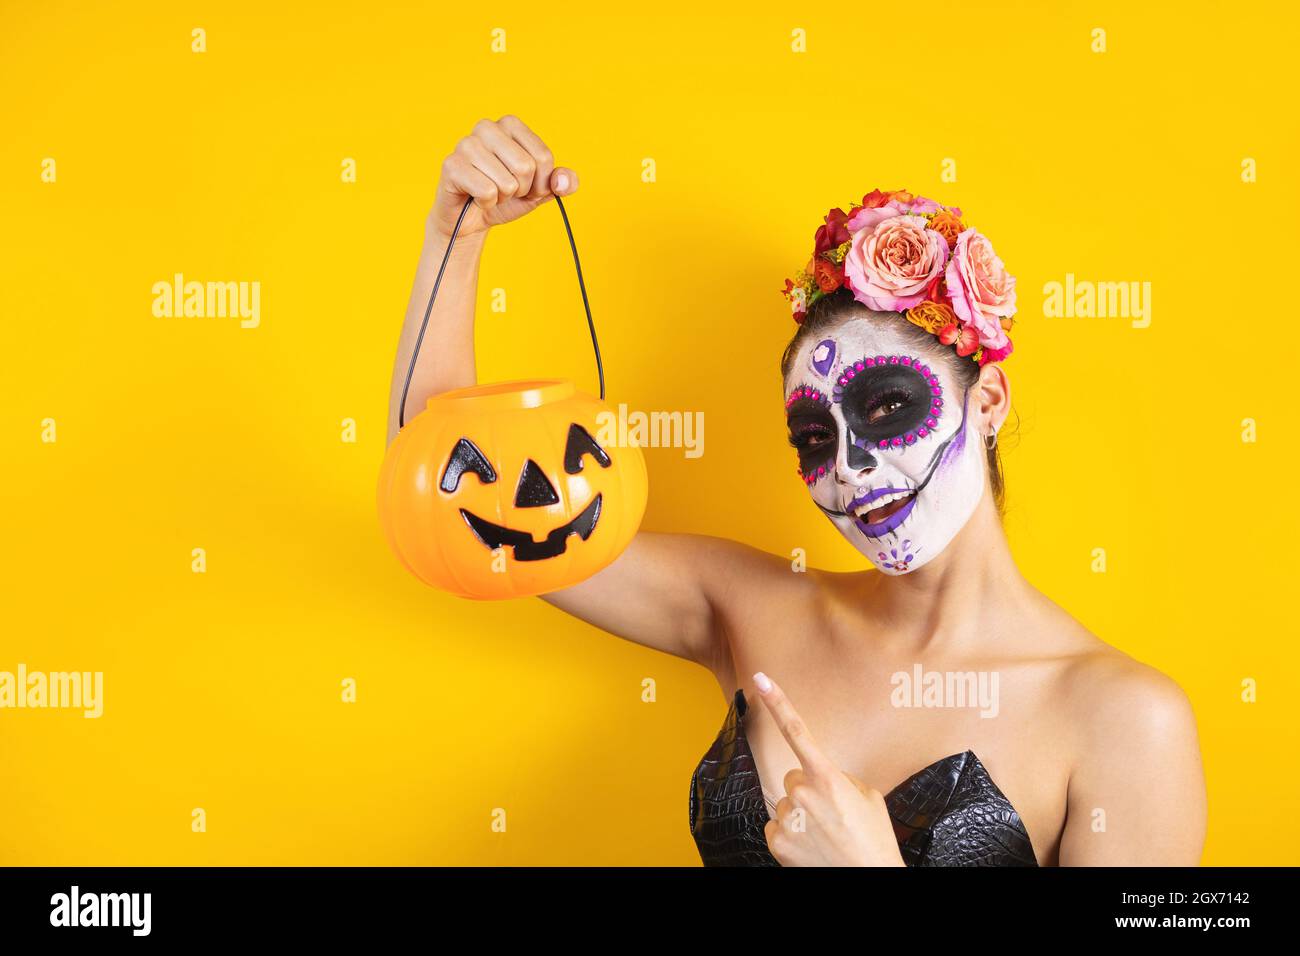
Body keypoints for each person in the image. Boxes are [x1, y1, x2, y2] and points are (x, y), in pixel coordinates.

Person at [387, 115, 1207, 867]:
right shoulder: (749, 610)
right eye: (814, 438)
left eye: (886, 407)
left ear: (987, 400)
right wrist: (455, 236)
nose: (848, 465)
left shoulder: (1125, 720)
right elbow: (453, 500)